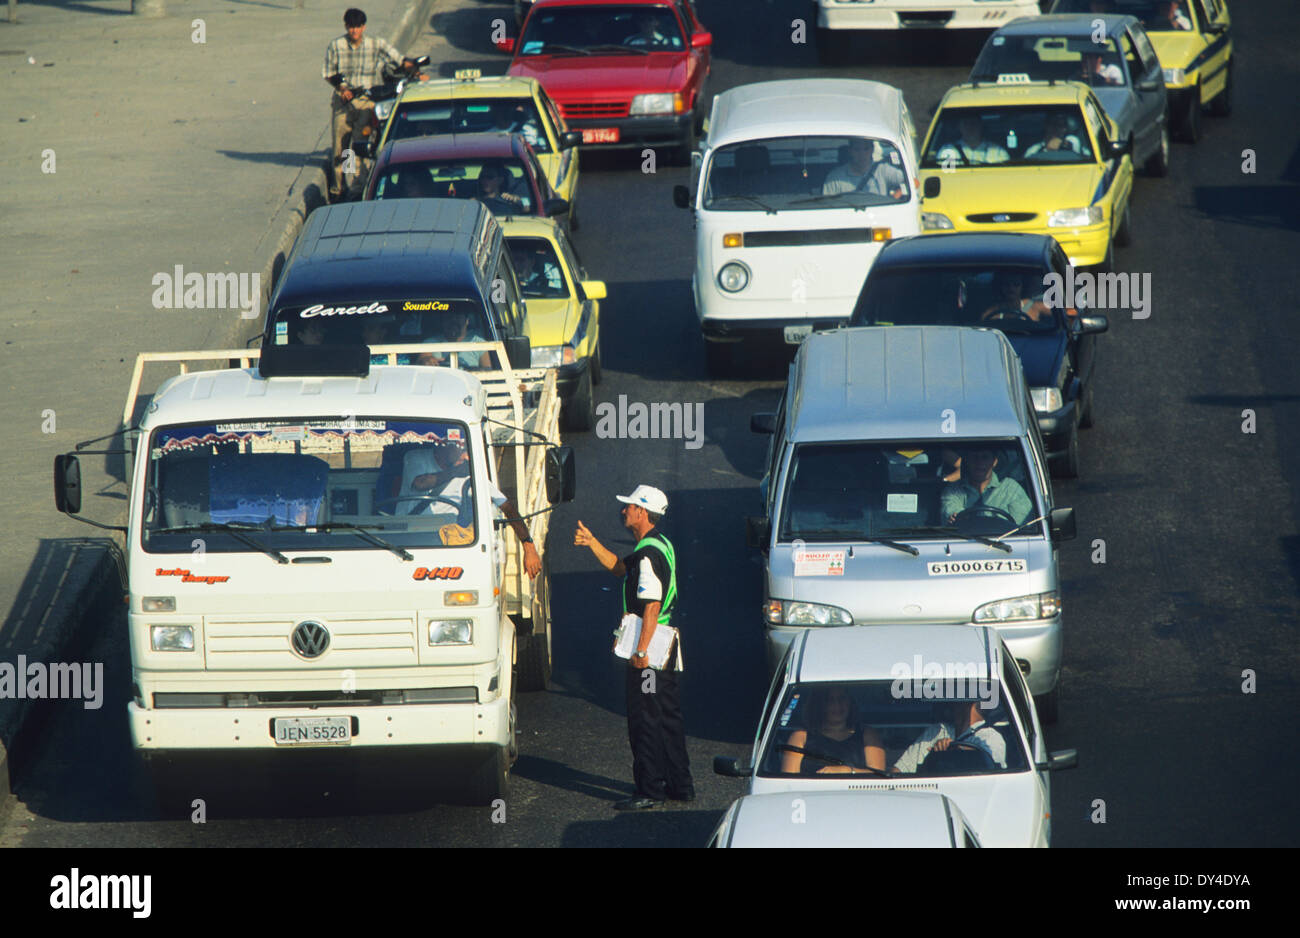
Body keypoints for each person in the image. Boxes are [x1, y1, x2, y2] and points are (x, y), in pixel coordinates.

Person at [573, 484, 694, 810]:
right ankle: (680, 786)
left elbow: (651, 605)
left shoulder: (647, 554)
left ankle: (649, 790)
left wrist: (640, 652)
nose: (624, 510)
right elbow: (618, 568)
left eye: (629, 506)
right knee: (668, 716)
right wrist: (592, 542)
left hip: (650, 650)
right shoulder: (658, 544)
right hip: (665, 645)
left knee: (644, 720)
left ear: (642, 512)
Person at [394, 438, 542, 575]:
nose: (465, 453)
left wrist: (529, 547)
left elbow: (506, 507)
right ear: (444, 445)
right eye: (460, 448)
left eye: (465, 447)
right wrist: (455, 472)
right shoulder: (415, 457)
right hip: (402, 537)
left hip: (443, 541)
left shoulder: (468, 475)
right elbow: (419, 484)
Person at [322, 8, 426, 201]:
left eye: (358, 27)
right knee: (341, 149)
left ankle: (357, 187)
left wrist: (416, 71)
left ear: (364, 27)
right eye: (351, 27)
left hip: (366, 103)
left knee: (358, 147)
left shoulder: (375, 44)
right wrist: (342, 88)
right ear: (346, 27)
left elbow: (398, 59)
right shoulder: (336, 46)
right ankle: (339, 189)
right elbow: (328, 72)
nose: (354, 31)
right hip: (342, 103)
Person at [779, 687, 885, 775]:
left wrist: (847, 771)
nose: (837, 705)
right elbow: (789, 781)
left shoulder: (867, 735)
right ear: (820, 705)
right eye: (830, 700)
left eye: (842, 698)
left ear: (850, 702)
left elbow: (879, 776)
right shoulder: (800, 736)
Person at [891, 700, 1007, 774]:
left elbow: (990, 768)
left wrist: (954, 751)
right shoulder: (937, 731)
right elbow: (898, 772)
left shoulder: (990, 736)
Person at [940, 448, 1033, 526]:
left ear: (994, 462)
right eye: (974, 457)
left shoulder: (1011, 489)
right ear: (967, 461)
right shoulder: (953, 490)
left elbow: (1024, 525)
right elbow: (950, 511)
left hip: (1004, 544)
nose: (979, 462)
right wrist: (956, 517)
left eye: (985, 457)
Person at [822, 138, 908, 200]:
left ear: (872, 150)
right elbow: (826, 204)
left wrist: (895, 197)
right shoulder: (835, 178)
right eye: (857, 149)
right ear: (850, 151)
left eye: (866, 149)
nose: (862, 154)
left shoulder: (882, 170)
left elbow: (914, 182)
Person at [936, 115, 1010, 166]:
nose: (969, 127)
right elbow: (946, 178)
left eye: (973, 123)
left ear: (980, 126)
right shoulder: (949, 151)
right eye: (965, 123)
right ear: (959, 127)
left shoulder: (998, 152)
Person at [980, 271, 1052, 323]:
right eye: (1007, 284)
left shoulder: (1033, 306)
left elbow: (1060, 312)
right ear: (1000, 287)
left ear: (1023, 287)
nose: (1011, 288)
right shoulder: (991, 312)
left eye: (1016, 284)